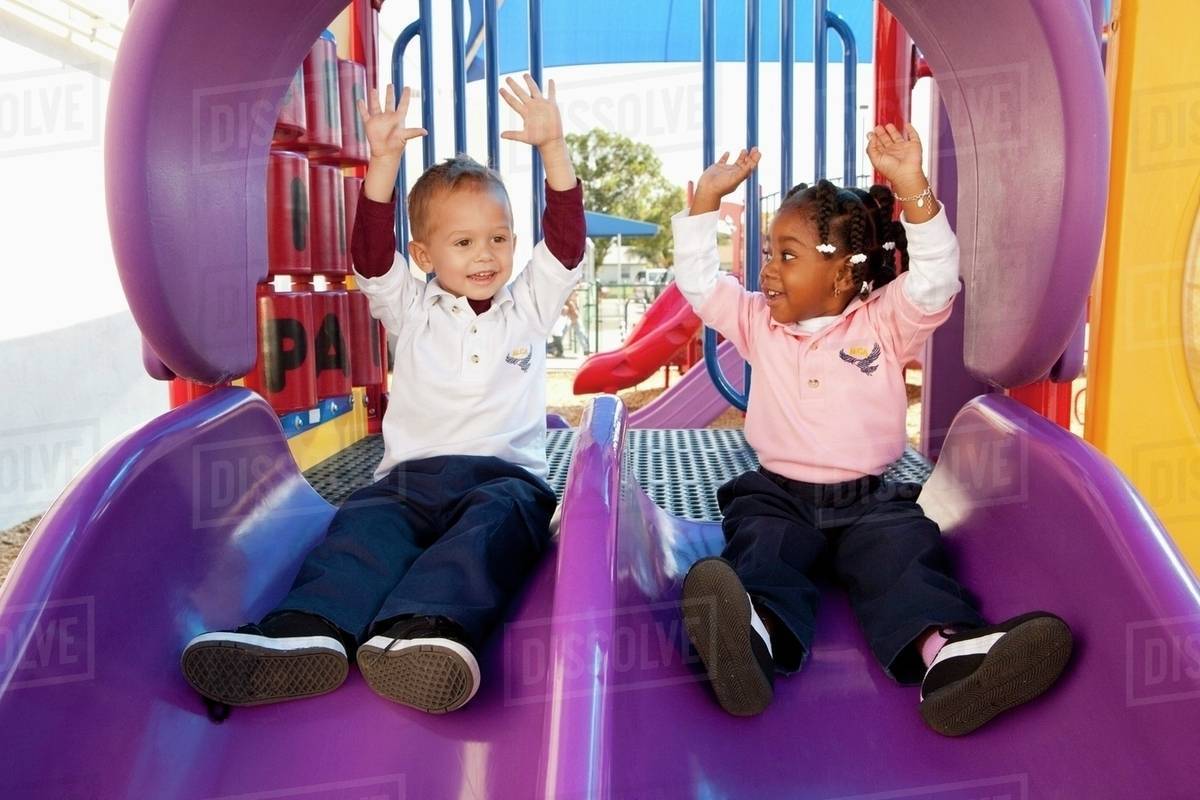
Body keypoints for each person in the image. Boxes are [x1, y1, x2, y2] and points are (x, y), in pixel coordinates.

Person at [181, 75, 585, 714]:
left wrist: (553, 150)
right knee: (363, 528)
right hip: (409, 478)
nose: (486, 255)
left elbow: (564, 244)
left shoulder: (527, 308)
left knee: (494, 529)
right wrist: (384, 165)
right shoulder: (413, 308)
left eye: (499, 238)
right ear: (424, 253)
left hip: (504, 478)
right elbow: (369, 255)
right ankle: (307, 629)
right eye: (463, 242)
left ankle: (422, 633)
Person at [672, 128, 1073, 736]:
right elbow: (700, 285)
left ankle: (949, 659)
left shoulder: (885, 323)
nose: (768, 269)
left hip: (869, 501)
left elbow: (936, 280)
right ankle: (752, 640)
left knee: (903, 556)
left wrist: (912, 187)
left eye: (787, 254)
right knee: (764, 550)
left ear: (841, 274)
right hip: (776, 493)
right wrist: (702, 205)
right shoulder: (757, 322)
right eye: (767, 252)